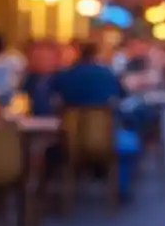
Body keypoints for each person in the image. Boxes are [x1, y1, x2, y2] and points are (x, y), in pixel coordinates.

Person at [52, 41, 140, 200]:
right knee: (129, 140)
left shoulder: (64, 76)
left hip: (71, 142)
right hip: (106, 141)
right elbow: (123, 97)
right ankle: (121, 187)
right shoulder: (108, 74)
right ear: (96, 55)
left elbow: (53, 98)